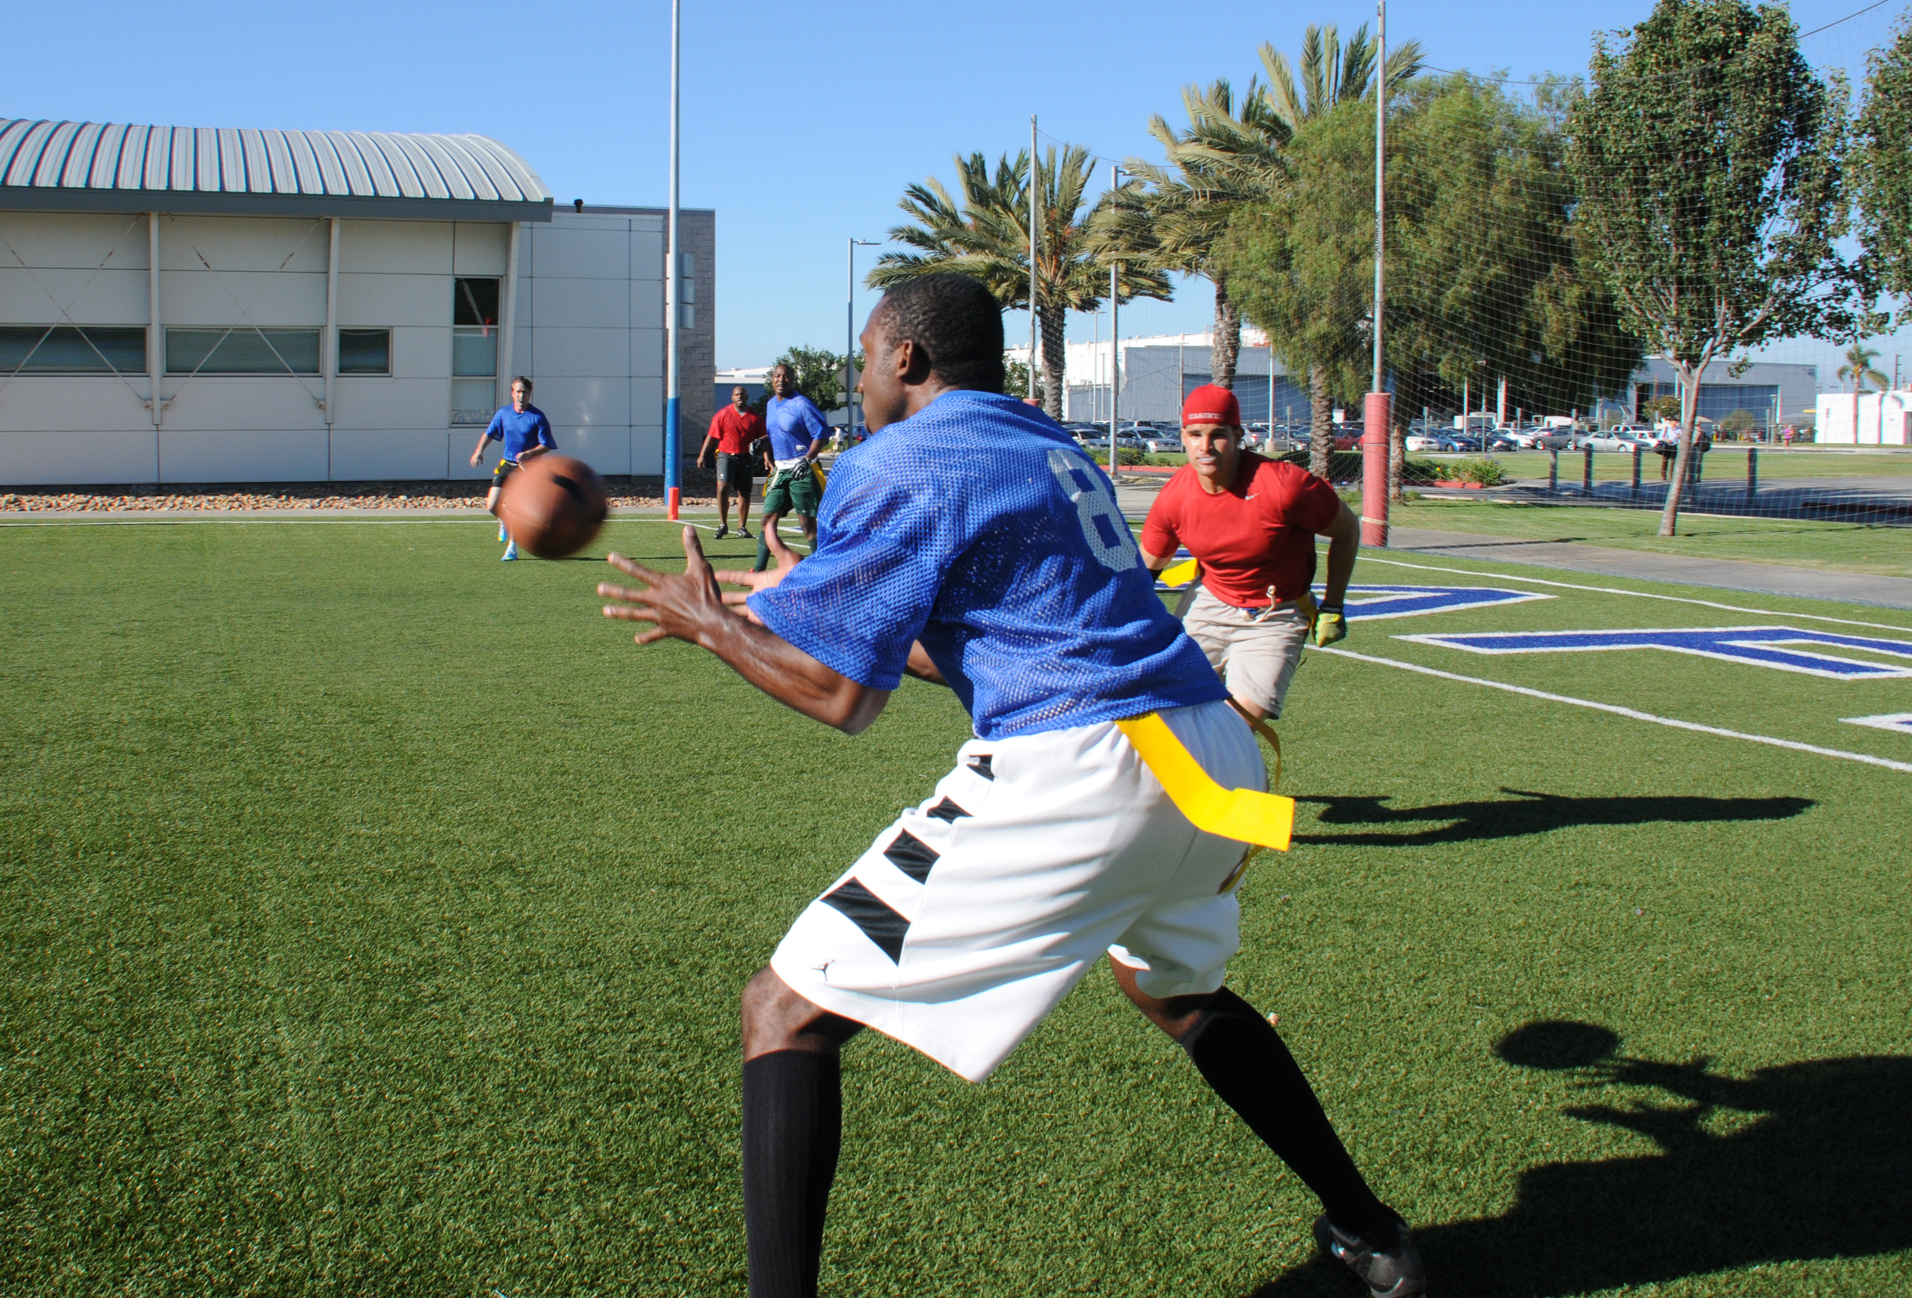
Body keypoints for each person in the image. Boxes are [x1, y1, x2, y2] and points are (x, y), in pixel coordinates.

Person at [598, 274, 1423, 1298]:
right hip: (1207, 752)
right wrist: (782, 601)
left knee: (783, 1010)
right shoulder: (1050, 445)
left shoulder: (898, 459)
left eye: (863, 357)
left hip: (1088, 768)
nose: (856, 381)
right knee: (1174, 988)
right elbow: (1007, 637)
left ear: (906, 358)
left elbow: (840, 695)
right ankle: (1370, 1231)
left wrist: (708, 623)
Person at [1140, 386, 1361, 730]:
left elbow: (1347, 531)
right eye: (1195, 435)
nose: (1205, 447)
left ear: (1239, 435)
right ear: (1183, 436)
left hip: (1277, 613)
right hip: (1210, 603)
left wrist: (1333, 606)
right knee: (1165, 709)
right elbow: (1145, 572)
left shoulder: (1286, 486)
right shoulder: (1173, 498)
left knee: (1238, 725)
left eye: (1218, 435)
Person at [750, 361, 832, 573]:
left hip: (802, 467)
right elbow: (780, 432)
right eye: (777, 376)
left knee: (807, 525)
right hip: (780, 469)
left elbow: (821, 434)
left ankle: (819, 572)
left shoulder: (801, 404)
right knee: (767, 519)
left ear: (793, 380)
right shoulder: (770, 404)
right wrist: (763, 441)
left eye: (786, 376)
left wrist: (807, 459)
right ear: (772, 379)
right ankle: (758, 571)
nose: (781, 380)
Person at [468, 376, 556, 561]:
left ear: (530, 394)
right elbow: (490, 433)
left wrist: (529, 454)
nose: (521, 395)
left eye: (525, 392)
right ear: (512, 393)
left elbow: (546, 445)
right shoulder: (504, 414)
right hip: (507, 465)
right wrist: (479, 451)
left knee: (517, 507)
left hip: (528, 470)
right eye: (518, 391)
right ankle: (505, 522)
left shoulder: (537, 417)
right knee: (492, 505)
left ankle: (512, 549)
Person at [697, 385, 766, 539]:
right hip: (726, 455)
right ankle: (723, 525)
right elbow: (711, 436)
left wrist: (767, 458)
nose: (739, 396)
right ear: (732, 397)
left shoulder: (755, 417)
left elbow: (764, 439)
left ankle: (741, 527)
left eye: (742, 394)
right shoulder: (722, 414)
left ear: (747, 397)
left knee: (744, 492)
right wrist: (702, 455)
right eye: (737, 394)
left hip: (745, 457)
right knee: (722, 487)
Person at [1655, 415, 1681, 482]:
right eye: (1673, 421)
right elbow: (1660, 438)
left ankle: (1672, 476)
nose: (1675, 423)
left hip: (1674, 446)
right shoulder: (1666, 429)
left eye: (1676, 421)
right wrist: (1667, 440)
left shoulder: (1679, 430)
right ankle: (1663, 476)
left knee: (1673, 462)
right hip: (1667, 446)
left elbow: (1681, 438)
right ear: (1670, 422)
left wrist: (1679, 437)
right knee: (1665, 461)